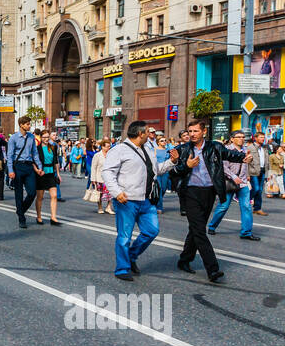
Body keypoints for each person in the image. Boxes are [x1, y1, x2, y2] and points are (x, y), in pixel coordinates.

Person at [171, 118, 248, 283]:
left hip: (209, 192)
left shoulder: (215, 147)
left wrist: (243, 158)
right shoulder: (182, 149)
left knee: (195, 229)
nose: (192, 134)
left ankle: (184, 260)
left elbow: (230, 154)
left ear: (204, 132)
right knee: (200, 231)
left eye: (195, 131)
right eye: (190, 131)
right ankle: (212, 269)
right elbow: (174, 172)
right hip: (190, 192)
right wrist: (186, 165)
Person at [103, 121, 178, 281]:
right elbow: (108, 173)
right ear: (140, 134)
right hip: (127, 200)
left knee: (152, 231)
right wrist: (117, 193)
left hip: (147, 200)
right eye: (148, 132)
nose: (151, 135)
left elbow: (156, 170)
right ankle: (122, 269)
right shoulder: (119, 150)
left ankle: (131, 256)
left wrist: (172, 162)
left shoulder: (148, 150)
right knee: (124, 236)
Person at [206, 131, 260, 241]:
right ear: (232, 139)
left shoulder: (245, 150)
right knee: (223, 206)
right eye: (239, 137)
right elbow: (222, 166)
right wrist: (233, 176)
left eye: (243, 137)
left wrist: (247, 175)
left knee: (246, 207)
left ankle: (246, 232)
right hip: (229, 182)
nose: (242, 139)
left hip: (243, 183)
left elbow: (246, 165)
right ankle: (212, 226)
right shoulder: (226, 149)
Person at [6, 114, 41, 229]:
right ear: (21, 125)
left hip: (29, 167)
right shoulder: (13, 138)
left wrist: (39, 166)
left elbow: (35, 153)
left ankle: (20, 211)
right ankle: (22, 218)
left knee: (32, 193)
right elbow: (9, 156)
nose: (29, 126)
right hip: (18, 167)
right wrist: (10, 170)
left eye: (29, 124)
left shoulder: (31, 137)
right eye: (27, 124)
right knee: (19, 194)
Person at [34, 130, 62, 226]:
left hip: (51, 173)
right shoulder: (37, 148)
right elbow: (33, 161)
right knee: (40, 197)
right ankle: (39, 216)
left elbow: (56, 161)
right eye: (44, 137)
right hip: (41, 174)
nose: (46, 139)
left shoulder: (53, 147)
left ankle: (53, 217)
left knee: (54, 195)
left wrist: (58, 174)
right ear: (41, 137)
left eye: (47, 137)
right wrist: (37, 170)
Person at [248, 132, 270, 215]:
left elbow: (267, 161)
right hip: (253, 171)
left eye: (263, 137)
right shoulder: (250, 147)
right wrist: (247, 174)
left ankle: (257, 208)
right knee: (256, 188)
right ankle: (245, 201)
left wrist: (268, 173)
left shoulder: (264, 148)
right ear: (255, 138)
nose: (263, 139)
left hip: (263, 170)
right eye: (261, 137)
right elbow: (246, 162)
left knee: (260, 190)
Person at [89, 138, 113, 214]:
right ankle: (100, 207)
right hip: (99, 177)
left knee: (111, 193)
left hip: (109, 178)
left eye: (109, 146)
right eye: (107, 146)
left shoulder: (111, 155)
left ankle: (108, 207)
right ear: (102, 147)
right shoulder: (97, 155)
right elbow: (93, 167)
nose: (109, 148)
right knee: (99, 193)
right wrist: (93, 179)